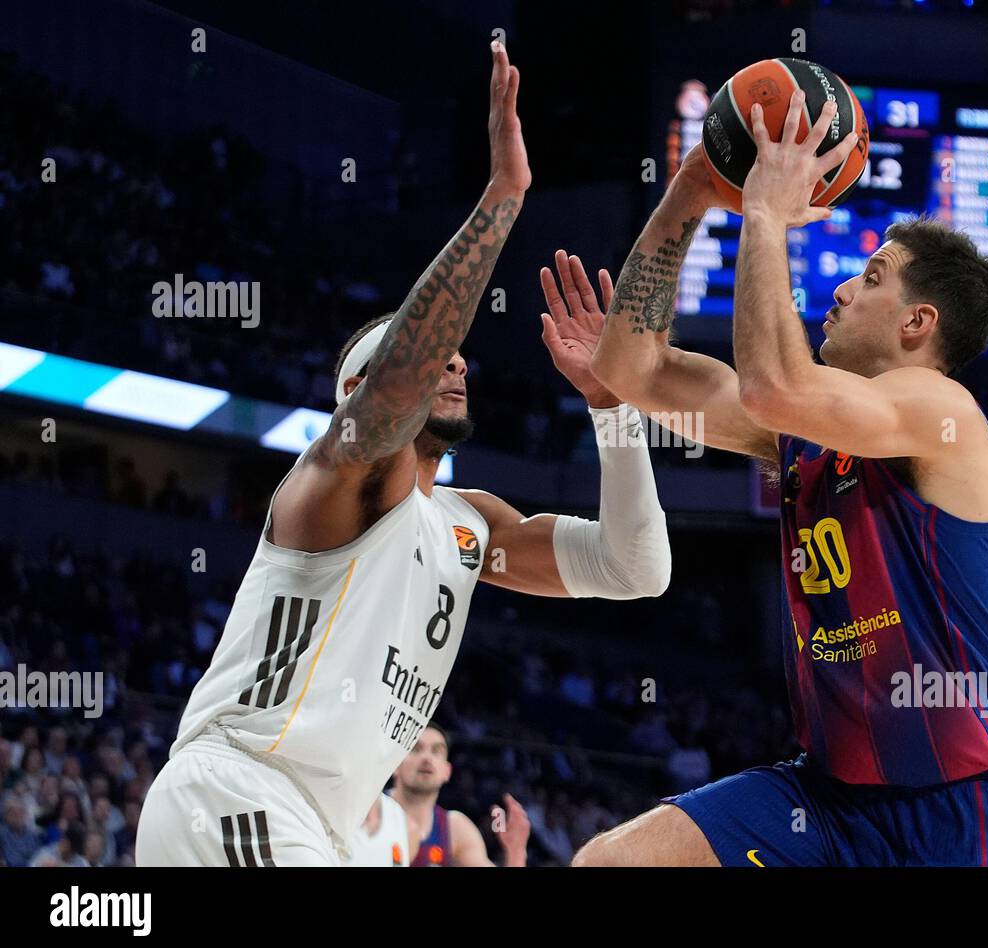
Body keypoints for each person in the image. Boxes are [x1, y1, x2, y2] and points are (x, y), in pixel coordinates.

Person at [137, 40, 670, 867]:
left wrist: (614, 409)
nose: (456, 365)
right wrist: (501, 199)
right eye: (433, 360)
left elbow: (636, 570)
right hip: (243, 791)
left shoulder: (470, 524)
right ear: (358, 390)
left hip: (321, 825)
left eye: (460, 359)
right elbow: (401, 376)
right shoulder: (337, 481)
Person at [564, 92, 988, 866]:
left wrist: (765, 213)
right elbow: (630, 369)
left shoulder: (939, 409)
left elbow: (773, 386)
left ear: (917, 322)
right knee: (611, 862)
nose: (844, 290)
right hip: (825, 796)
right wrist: (690, 188)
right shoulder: (805, 428)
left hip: (957, 804)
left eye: (872, 278)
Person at [389, 723, 528, 867]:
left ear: (447, 771)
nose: (427, 758)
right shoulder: (374, 807)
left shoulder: (455, 828)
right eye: (416, 749)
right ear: (394, 764)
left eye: (436, 751)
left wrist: (516, 854)